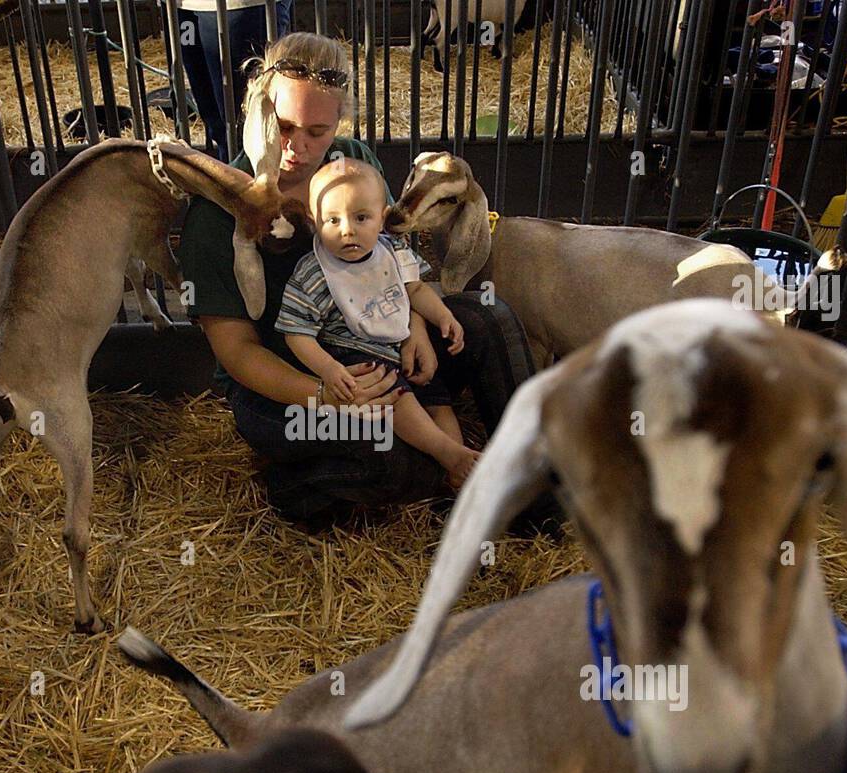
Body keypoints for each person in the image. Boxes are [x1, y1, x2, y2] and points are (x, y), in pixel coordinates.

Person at [176, 30, 560, 532]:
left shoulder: (352, 162)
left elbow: (392, 260)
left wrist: (414, 332)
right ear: (258, 109)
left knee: (490, 317)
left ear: (339, 121)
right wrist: (325, 396)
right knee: (393, 456)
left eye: (318, 129)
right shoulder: (216, 211)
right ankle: (290, 492)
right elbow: (238, 353)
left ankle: (536, 496)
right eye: (284, 124)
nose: (298, 146)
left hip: (377, 347)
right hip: (283, 384)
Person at [276, 158, 481, 487]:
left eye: (361, 218)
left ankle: (457, 474)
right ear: (314, 222)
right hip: (354, 356)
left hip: (399, 347)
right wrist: (329, 370)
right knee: (396, 395)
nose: (347, 230)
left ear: (383, 218)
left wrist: (443, 316)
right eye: (332, 220)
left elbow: (415, 288)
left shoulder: (393, 251)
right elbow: (296, 333)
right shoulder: (312, 273)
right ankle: (450, 455)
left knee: (437, 399)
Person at [174, 0, 294, 162]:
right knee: (215, 119)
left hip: (241, 6)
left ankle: (247, 179)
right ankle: (232, 175)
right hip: (183, 7)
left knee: (246, 121)